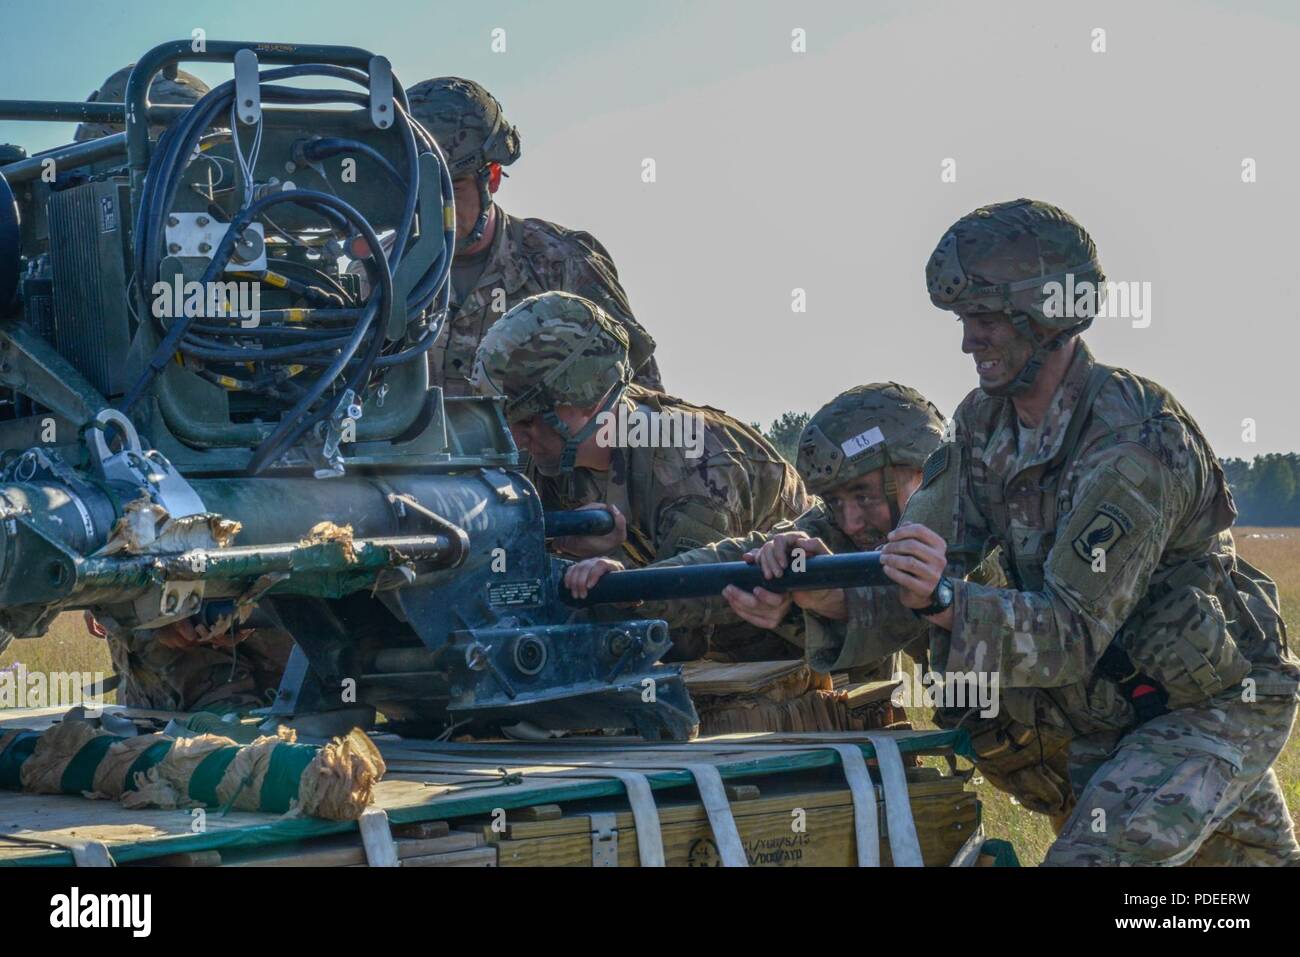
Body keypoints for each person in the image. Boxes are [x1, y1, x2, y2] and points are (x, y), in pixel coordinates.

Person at [869, 198, 1300, 865]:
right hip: (1126, 713)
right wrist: (821, 586)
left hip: (1210, 710)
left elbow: (1068, 633)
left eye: (983, 320)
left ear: (1043, 317)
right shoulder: (984, 424)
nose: (967, 341)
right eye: (963, 321)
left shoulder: (1135, 442)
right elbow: (926, 558)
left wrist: (948, 602)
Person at [470, 290, 810, 659]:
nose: (518, 438)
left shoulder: (689, 460)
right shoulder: (550, 459)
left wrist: (618, 566)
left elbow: (685, 632)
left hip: (786, 663)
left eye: (529, 420)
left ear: (588, 400)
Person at [406, 77, 663, 394]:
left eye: (452, 190)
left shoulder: (562, 263)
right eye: (419, 190)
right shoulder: (378, 277)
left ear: (493, 177)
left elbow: (639, 396)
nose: (433, 207)